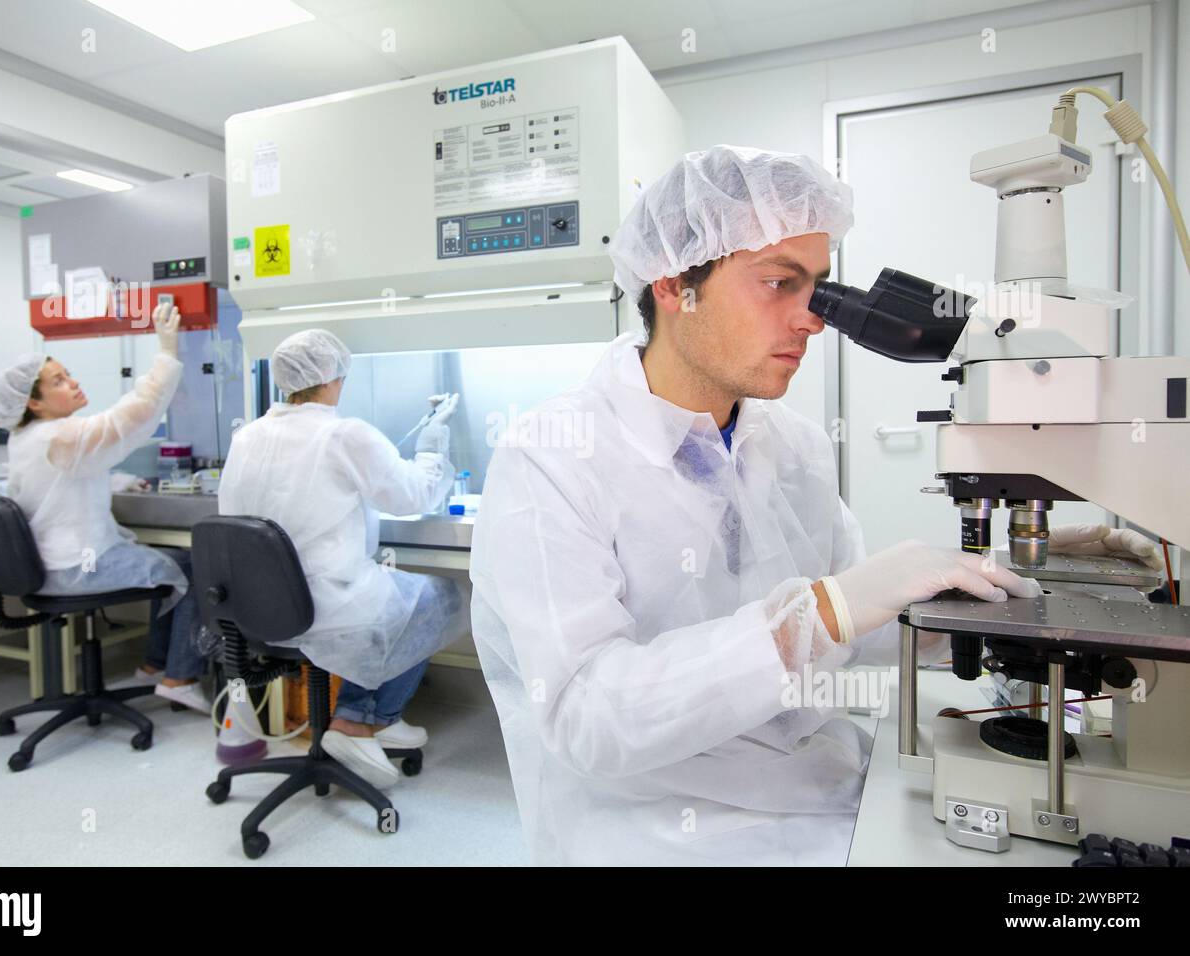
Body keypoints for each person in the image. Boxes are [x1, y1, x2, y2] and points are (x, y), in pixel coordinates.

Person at [469, 144, 1162, 866]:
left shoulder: (793, 446)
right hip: (656, 827)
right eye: (779, 283)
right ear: (674, 285)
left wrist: (992, 589)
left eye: (819, 287)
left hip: (822, 785)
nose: (813, 319)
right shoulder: (553, 457)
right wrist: (814, 617)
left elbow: (852, 628)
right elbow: (585, 716)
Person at [218, 328, 468, 790]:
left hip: (256, 610)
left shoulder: (247, 436)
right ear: (334, 376)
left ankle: (375, 718)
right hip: (328, 604)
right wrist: (433, 445)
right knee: (444, 597)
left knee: (402, 599)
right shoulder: (344, 434)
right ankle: (359, 719)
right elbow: (413, 495)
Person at [0, 304, 210, 712]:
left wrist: (118, 481)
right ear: (33, 403)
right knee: (196, 568)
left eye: (68, 374)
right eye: (58, 381)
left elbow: (64, 478)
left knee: (170, 562)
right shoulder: (59, 436)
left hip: (50, 565)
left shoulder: (28, 438)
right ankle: (180, 677)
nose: (72, 383)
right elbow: (131, 418)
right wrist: (166, 353)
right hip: (79, 567)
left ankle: (153, 665)